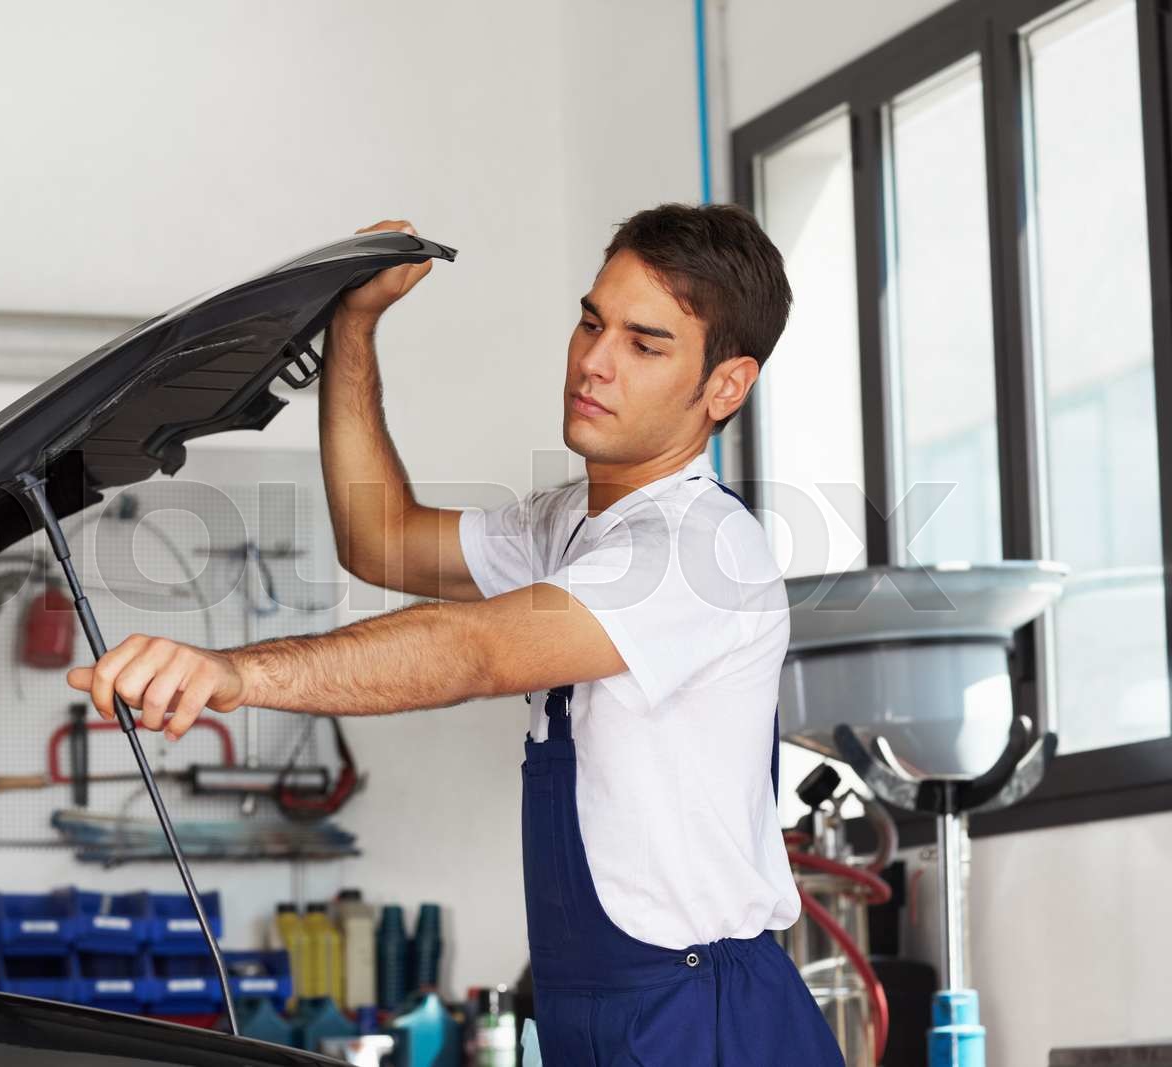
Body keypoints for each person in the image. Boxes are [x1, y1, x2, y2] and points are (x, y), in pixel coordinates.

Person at [66, 205, 843, 1064]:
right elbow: (381, 534)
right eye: (591, 322)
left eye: (644, 345)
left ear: (725, 386)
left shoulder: (697, 547)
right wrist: (354, 326)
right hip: (599, 1015)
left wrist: (232, 673)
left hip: (708, 1025)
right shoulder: (569, 526)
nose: (593, 361)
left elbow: (478, 649)